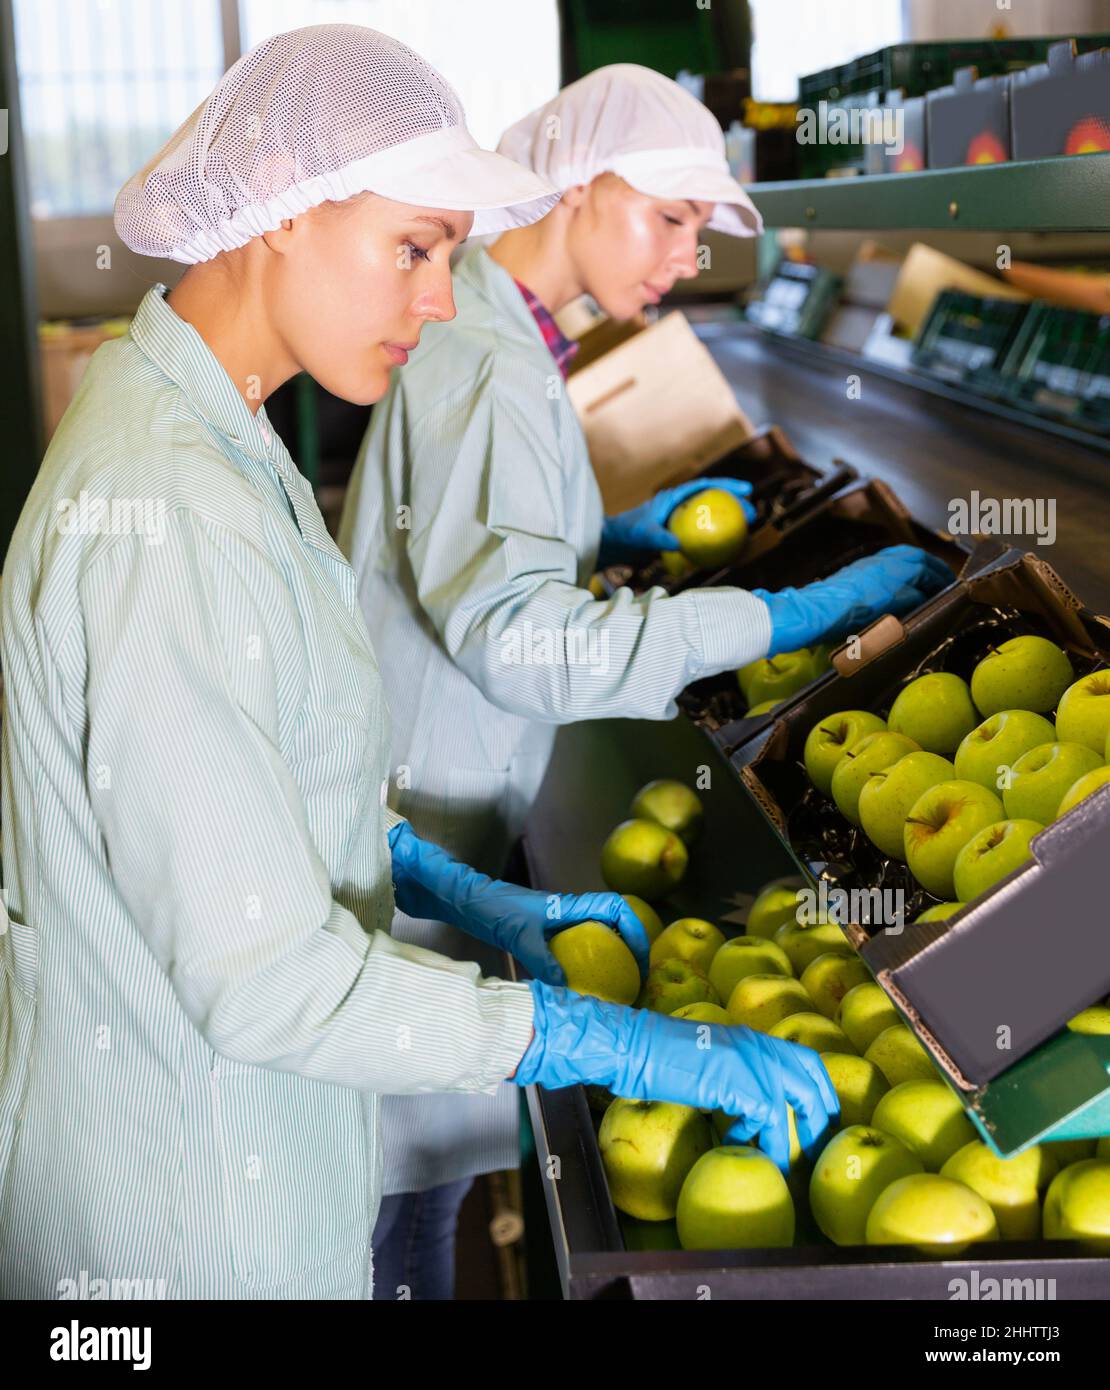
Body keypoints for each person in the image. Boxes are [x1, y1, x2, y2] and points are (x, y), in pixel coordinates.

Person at [0, 28, 839, 1302]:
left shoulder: (221, 432)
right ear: (282, 213)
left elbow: (247, 789)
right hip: (187, 1227)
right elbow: (267, 981)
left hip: (261, 1159)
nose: (444, 299)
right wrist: (589, 1037)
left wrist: (464, 891)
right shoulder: (164, 507)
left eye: (450, 252)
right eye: (415, 246)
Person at [339, 63, 952, 1297]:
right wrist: (782, 612)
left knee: (419, 1181)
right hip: (415, 812)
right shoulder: (492, 360)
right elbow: (515, 638)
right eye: (668, 217)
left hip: (431, 797)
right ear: (576, 183)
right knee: (396, 1214)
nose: (686, 257)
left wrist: (605, 540)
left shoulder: (494, 326)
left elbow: (451, 538)